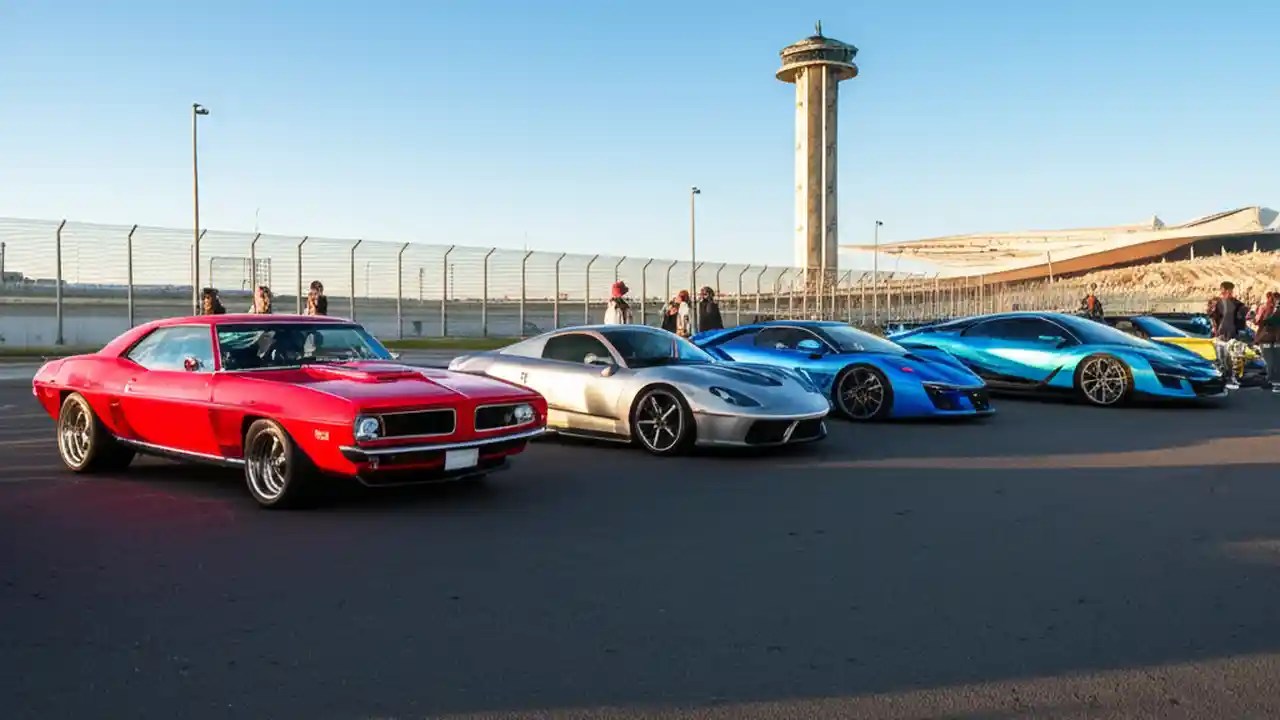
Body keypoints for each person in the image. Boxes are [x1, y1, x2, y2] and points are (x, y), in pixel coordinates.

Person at [1209, 280, 1248, 390]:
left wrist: (1241, 330)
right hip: (1221, 335)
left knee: (1233, 357)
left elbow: (1242, 318)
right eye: (1227, 291)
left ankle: (1233, 378)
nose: (1228, 293)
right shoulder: (1218, 303)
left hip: (1233, 334)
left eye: (1230, 291)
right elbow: (1213, 318)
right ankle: (1223, 378)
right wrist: (1215, 330)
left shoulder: (1237, 304)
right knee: (1221, 357)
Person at [1255, 290, 1280, 393]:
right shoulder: (1267, 309)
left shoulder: (1268, 309)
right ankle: (1273, 381)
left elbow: (1260, 321)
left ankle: (1273, 381)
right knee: (1273, 361)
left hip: (1269, 339)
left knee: (1271, 361)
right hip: (1270, 339)